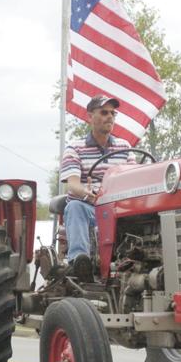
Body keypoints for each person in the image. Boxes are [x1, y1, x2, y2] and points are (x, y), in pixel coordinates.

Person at [60, 95, 134, 282]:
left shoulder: (124, 147)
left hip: (119, 210)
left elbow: (133, 177)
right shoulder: (75, 148)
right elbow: (74, 185)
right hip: (90, 208)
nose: (110, 117)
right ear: (89, 117)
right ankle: (79, 261)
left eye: (112, 113)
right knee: (75, 207)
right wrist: (90, 195)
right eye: (104, 112)